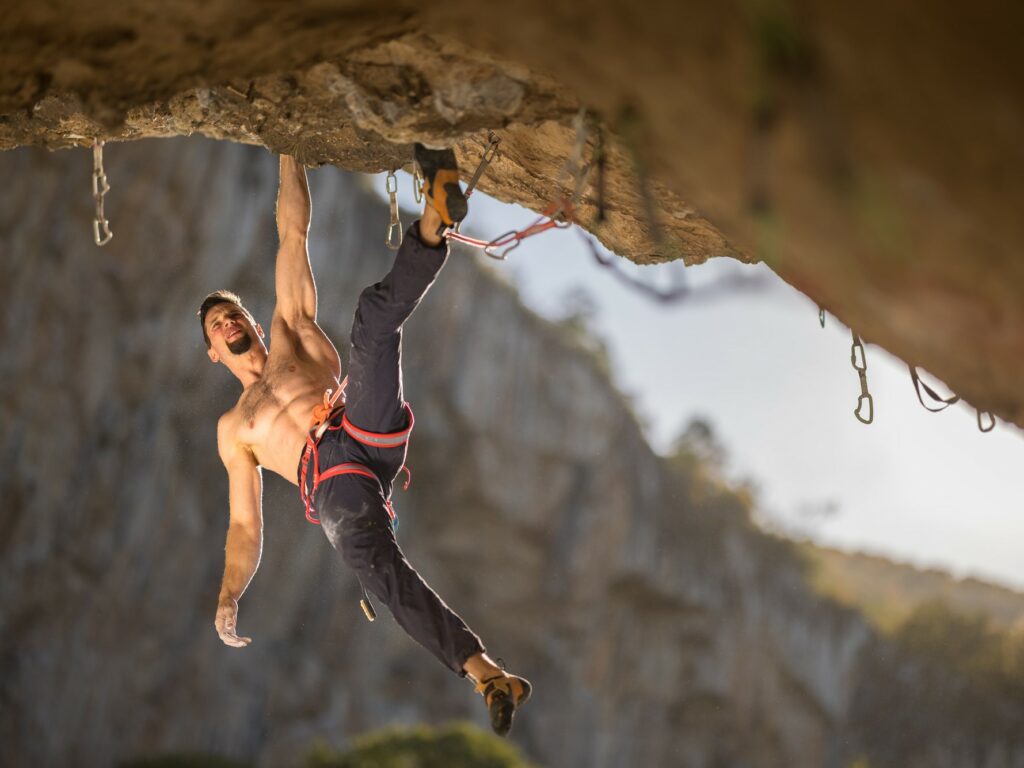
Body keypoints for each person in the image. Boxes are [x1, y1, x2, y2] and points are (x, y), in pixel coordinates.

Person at [198, 148, 530, 735]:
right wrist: (229, 592)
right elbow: (245, 527)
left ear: (250, 323)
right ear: (213, 351)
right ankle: (486, 674)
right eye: (216, 325)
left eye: (232, 313)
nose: (228, 322)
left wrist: (287, 148)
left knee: (372, 322)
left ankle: (434, 218)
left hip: (360, 428)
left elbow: (292, 231)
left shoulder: (291, 334)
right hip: (335, 486)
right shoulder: (233, 429)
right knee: (379, 572)